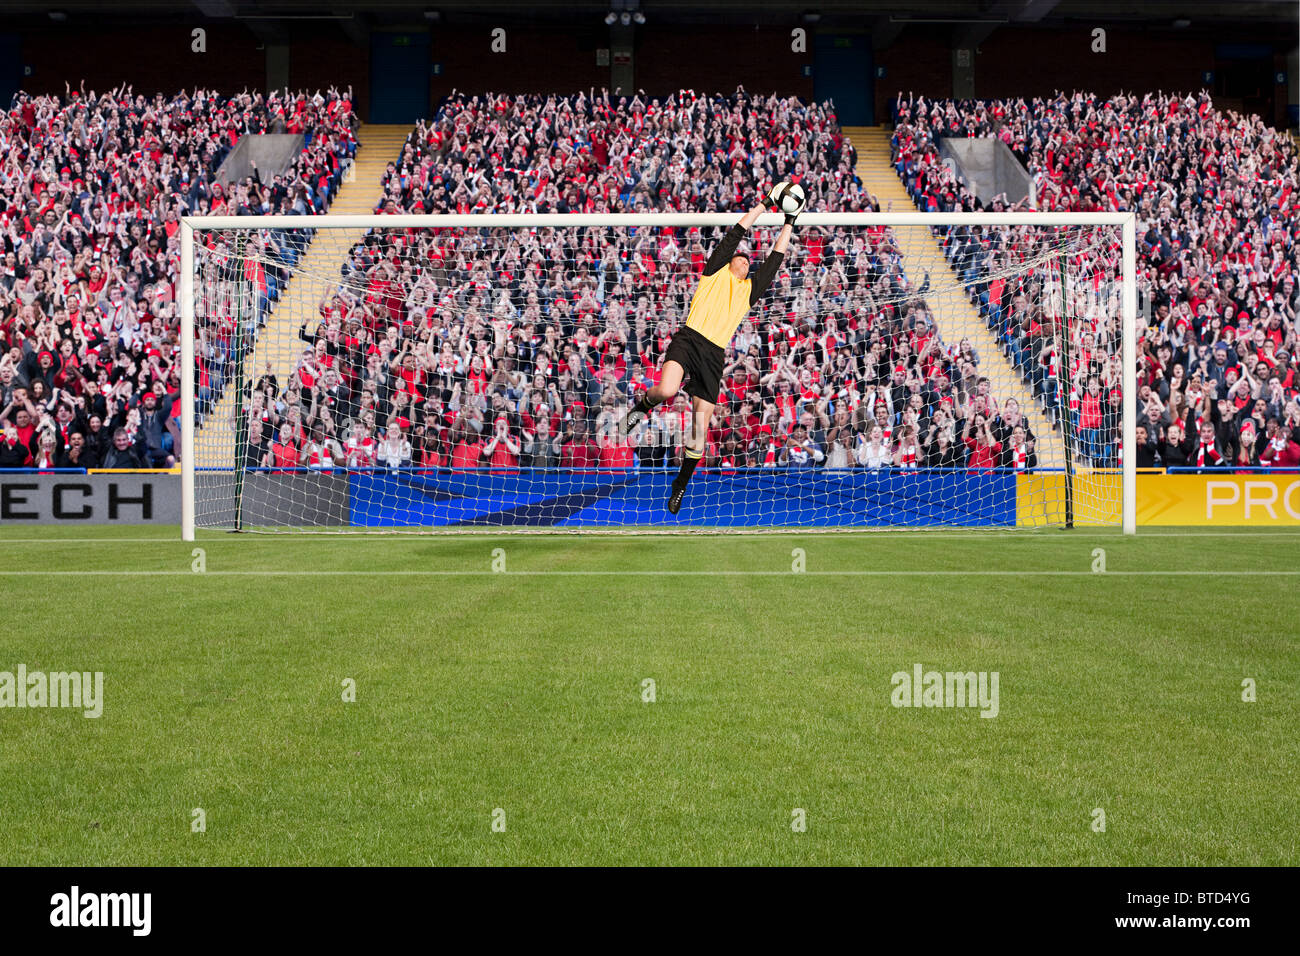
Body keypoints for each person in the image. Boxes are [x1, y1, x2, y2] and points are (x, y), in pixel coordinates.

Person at [620, 185, 797, 513]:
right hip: (689, 338)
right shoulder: (714, 272)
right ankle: (639, 410)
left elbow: (774, 259)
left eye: (746, 262)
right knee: (666, 389)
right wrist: (765, 203)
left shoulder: (748, 291)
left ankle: (680, 485)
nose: (743, 262)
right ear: (730, 262)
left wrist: (790, 220)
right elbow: (737, 231)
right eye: (740, 258)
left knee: (699, 428)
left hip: (714, 354)